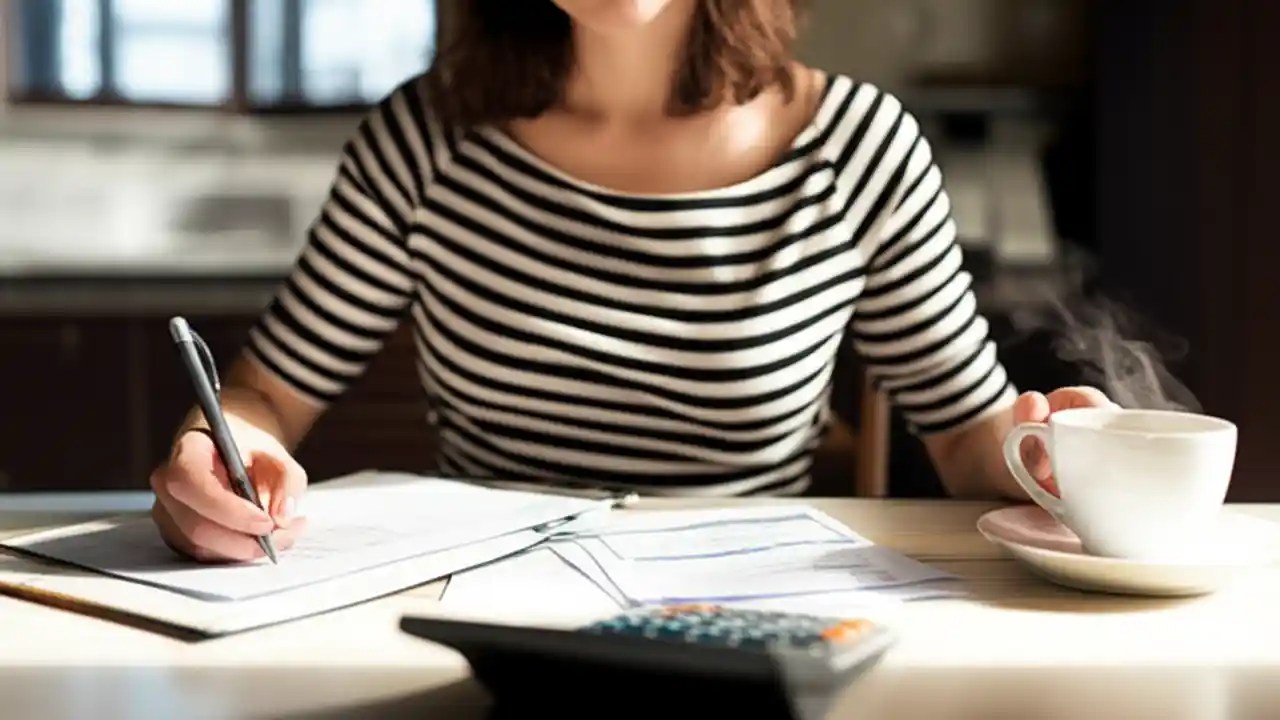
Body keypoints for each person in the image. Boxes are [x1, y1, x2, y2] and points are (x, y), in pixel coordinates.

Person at [149, 0, 1114, 562]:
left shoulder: (861, 147)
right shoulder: (426, 142)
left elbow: (967, 438)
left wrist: (1057, 455)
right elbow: (268, 392)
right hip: (487, 630)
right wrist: (215, 445)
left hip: (749, 622)